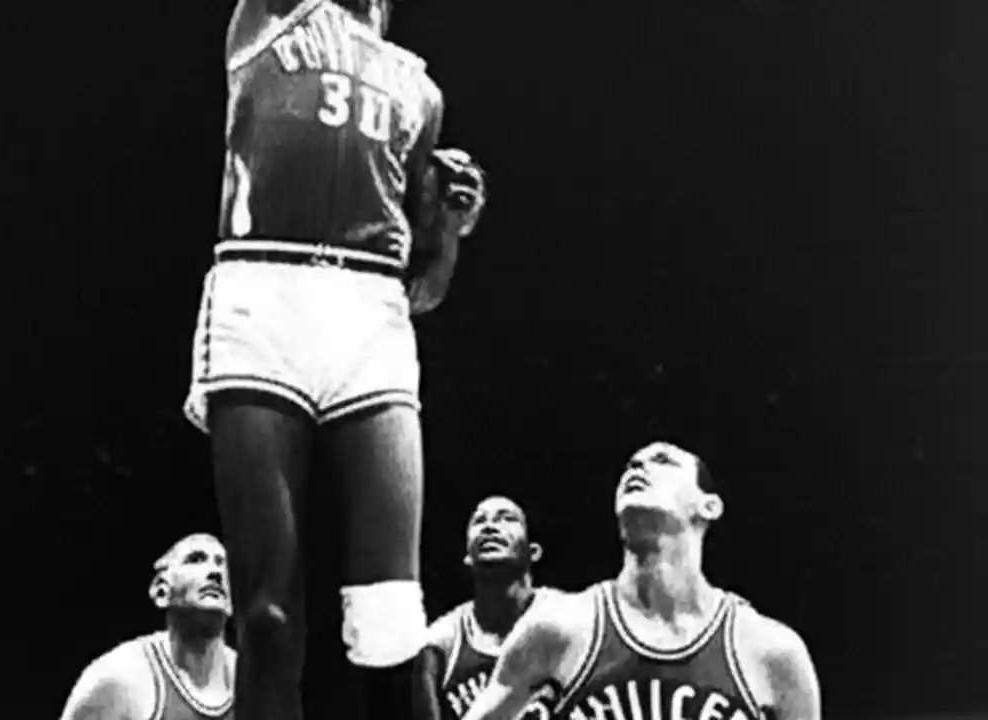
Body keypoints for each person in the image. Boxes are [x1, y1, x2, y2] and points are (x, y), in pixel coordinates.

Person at [182, 0, 487, 718]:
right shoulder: (269, 21)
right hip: (264, 295)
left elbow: (423, 290)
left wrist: (448, 226)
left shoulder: (420, 87)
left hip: (370, 312)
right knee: (268, 620)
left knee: (390, 621)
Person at [461, 442, 822, 720]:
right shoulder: (559, 628)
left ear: (708, 506)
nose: (638, 466)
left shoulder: (772, 653)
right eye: (632, 463)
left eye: (662, 460)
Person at [58, 533, 236, 720]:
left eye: (222, 563)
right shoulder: (121, 679)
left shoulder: (252, 682)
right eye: (196, 560)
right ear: (161, 591)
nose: (216, 572)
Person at [414, 496, 557, 720]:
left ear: (533, 552)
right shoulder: (440, 645)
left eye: (506, 519)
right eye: (480, 521)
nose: (490, 527)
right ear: (468, 558)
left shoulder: (566, 616)